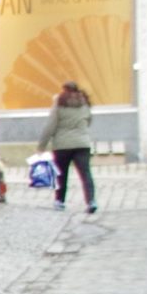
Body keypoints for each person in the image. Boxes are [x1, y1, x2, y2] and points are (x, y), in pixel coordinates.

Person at [35, 81, 97, 215]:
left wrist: (41, 146)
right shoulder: (84, 103)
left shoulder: (59, 104)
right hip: (82, 144)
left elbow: (50, 126)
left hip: (62, 145)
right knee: (86, 174)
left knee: (61, 174)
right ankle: (91, 201)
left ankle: (60, 201)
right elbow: (89, 120)